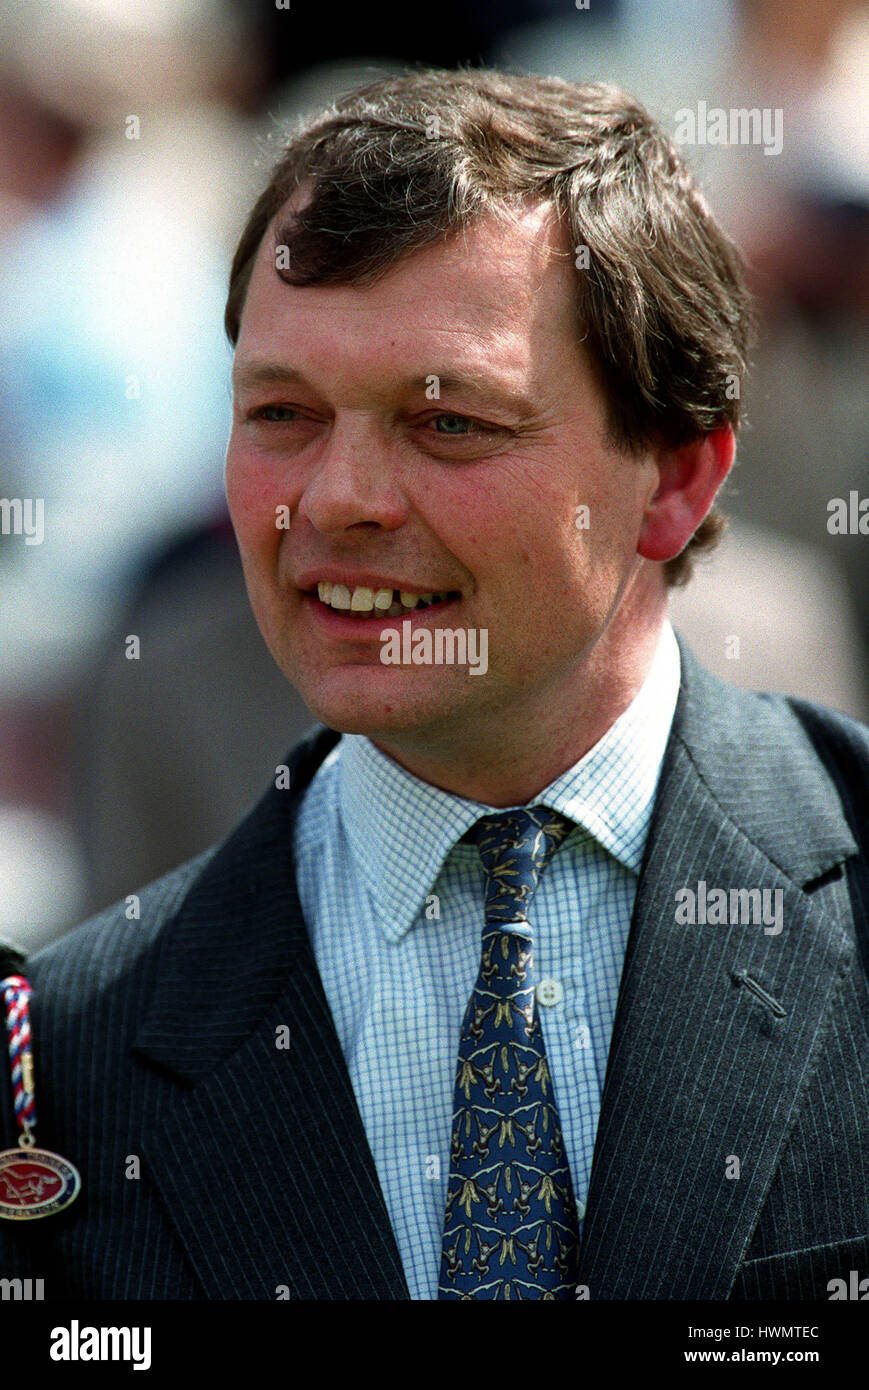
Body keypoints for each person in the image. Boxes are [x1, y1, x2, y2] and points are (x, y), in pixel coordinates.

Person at [1, 69, 867, 1302]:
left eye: (448, 421)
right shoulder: (67, 1066)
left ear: (673, 480)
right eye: (284, 412)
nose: (341, 498)